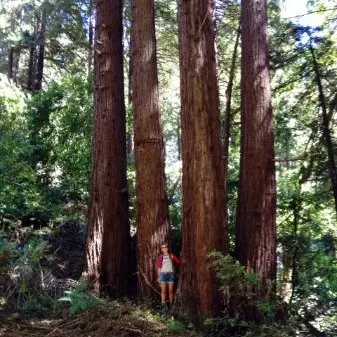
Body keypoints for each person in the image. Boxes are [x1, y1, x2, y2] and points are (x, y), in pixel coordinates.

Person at [156, 242, 180, 310]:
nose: (164, 248)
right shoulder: (161, 257)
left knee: (170, 291)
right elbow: (159, 268)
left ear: (167, 248)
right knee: (163, 291)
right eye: (162, 247)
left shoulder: (171, 255)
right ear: (161, 249)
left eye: (165, 247)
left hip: (170, 275)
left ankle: (171, 306)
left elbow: (178, 262)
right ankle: (163, 307)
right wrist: (159, 277)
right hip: (163, 275)